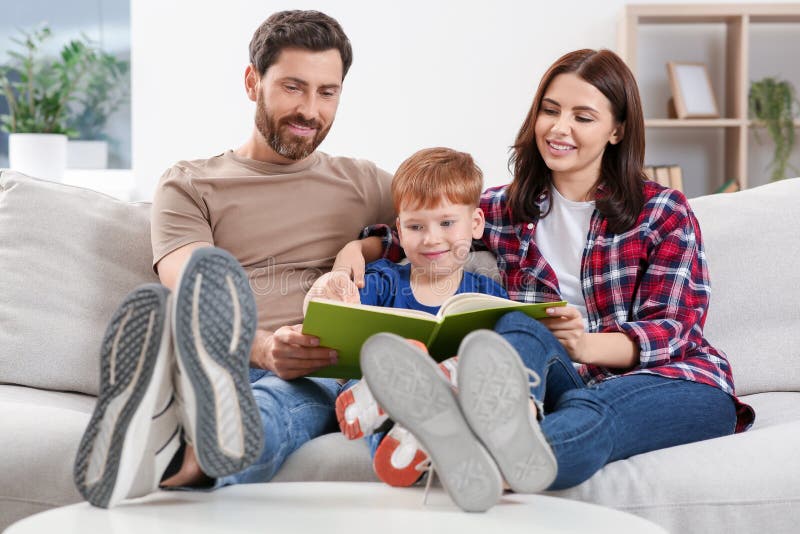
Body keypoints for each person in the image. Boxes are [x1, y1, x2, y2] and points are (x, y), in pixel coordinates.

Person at [338, 49, 756, 512]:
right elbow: (416, 234)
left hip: (676, 380)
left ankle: (470, 456)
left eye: (583, 116)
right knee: (519, 326)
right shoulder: (506, 209)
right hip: (559, 383)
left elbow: (674, 329)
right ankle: (461, 407)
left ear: (616, 130)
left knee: (595, 415)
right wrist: (353, 252)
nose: (559, 128)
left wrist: (585, 345)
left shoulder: (662, 212)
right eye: (550, 110)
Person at [73, 10, 396, 507]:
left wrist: (362, 246)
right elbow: (194, 291)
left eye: (327, 93)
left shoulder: (368, 184)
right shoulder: (190, 184)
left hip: (317, 369)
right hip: (228, 355)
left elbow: (457, 219)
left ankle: (176, 456)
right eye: (293, 86)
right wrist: (264, 347)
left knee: (285, 399)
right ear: (252, 82)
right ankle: (174, 400)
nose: (310, 110)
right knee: (253, 377)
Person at [303, 147, 507, 489]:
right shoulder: (382, 280)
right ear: (399, 229)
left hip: (454, 387)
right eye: (416, 226)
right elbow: (338, 314)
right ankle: (395, 440)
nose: (431, 238)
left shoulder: (488, 295)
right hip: (377, 379)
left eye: (446, 222)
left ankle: (424, 427)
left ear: (474, 224)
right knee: (365, 382)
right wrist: (328, 291)